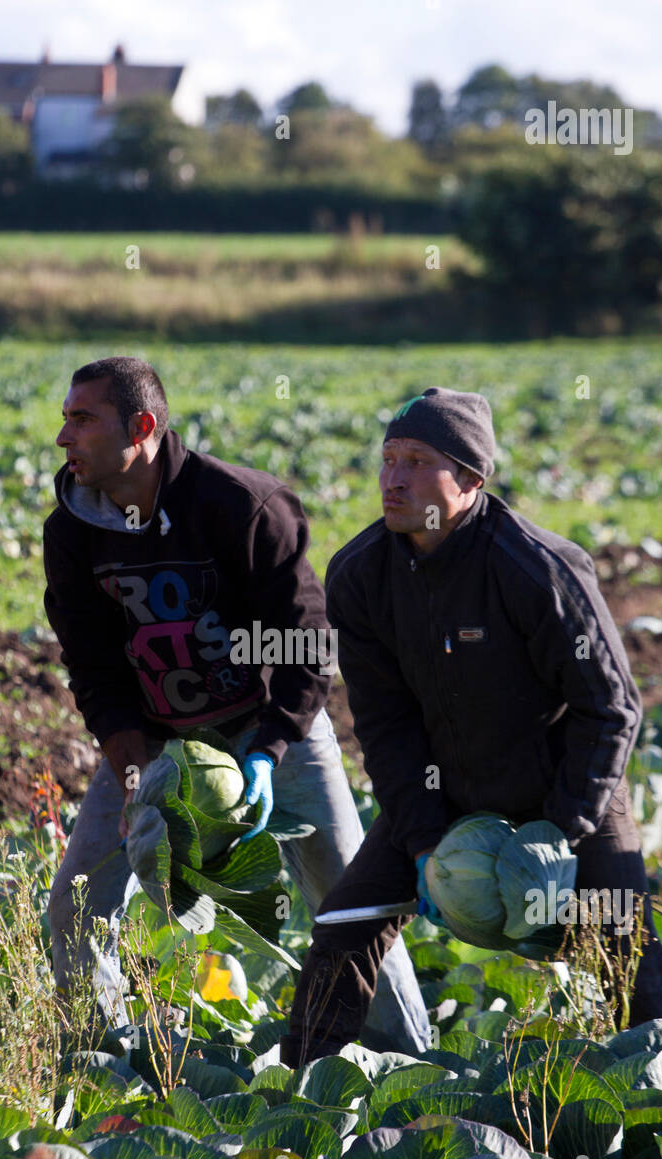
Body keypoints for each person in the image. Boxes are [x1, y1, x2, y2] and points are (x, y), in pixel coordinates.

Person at [281, 386, 662, 1067]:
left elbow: (610, 707)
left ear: (469, 478)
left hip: (563, 789)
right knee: (342, 927)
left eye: (416, 460)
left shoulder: (537, 568)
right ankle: (300, 1099)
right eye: (388, 459)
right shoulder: (359, 575)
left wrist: (559, 833)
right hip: (448, 786)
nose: (393, 478)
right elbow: (385, 724)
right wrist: (421, 842)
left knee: (628, 966)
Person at [42, 356, 433, 1053]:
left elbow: (306, 645)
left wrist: (268, 750)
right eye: (65, 418)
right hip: (158, 740)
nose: (63, 437)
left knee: (350, 902)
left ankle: (410, 1062)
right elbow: (93, 666)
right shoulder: (72, 529)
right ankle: (108, 1062)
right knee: (75, 905)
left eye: (81, 419)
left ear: (143, 427)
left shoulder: (243, 507)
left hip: (268, 728)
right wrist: (133, 771)